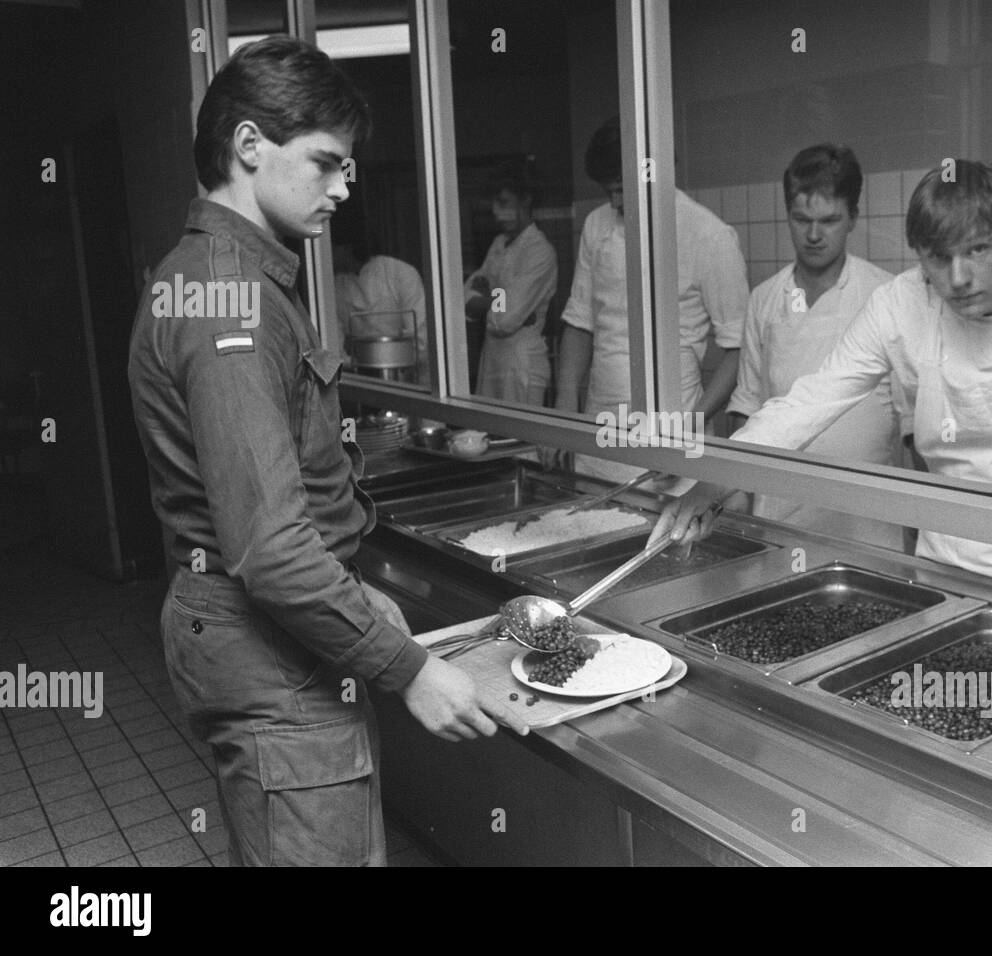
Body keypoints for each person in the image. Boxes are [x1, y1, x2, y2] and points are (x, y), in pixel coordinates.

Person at [127, 36, 526, 867]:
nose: (344, 187)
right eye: (325, 162)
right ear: (248, 144)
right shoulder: (230, 303)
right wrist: (409, 669)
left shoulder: (215, 275)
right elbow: (271, 551)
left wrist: (353, 598)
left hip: (262, 636)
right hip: (268, 653)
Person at [654, 160, 992, 606]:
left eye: (977, 250)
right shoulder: (900, 304)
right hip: (954, 565)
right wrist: (717, 478)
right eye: (939, 259)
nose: (958, 278)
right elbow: (812, 398)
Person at [551, 116, 749, 487]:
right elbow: (579, 323)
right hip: (600, 429)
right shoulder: (596, 225)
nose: (615, 201)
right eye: (608, 191)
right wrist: (564, 409)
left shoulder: (709, 236)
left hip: (673, 434)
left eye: (620, 189)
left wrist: (688, 430)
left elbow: (739, 351)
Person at [728, 144, 901, 548]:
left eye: (829, 220)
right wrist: (734, 488)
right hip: (780, 511)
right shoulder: (765, 299)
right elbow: (746, 405)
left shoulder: (885, 296)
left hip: (868, 519)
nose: (813, 235)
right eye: (801, 219)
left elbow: (910, 422)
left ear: (853, 217)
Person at [463, 161, 558, 405]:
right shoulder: (498, 244)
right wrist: (498, 300)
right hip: (493, 359)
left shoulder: (539, 251)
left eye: (503, 203)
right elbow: (466, 300)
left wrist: (490, 297)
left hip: (522, 363)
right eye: (494, 204)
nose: (496, 212)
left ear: (525, 200)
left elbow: (505, 319)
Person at [331, 209, 428, 385]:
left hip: (410, 379)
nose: (328, 255)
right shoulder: (335, 285)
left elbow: (421, 338)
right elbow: (334, 346)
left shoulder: (401, 273)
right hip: (362, 380)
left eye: (331, 248)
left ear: (345, 248)